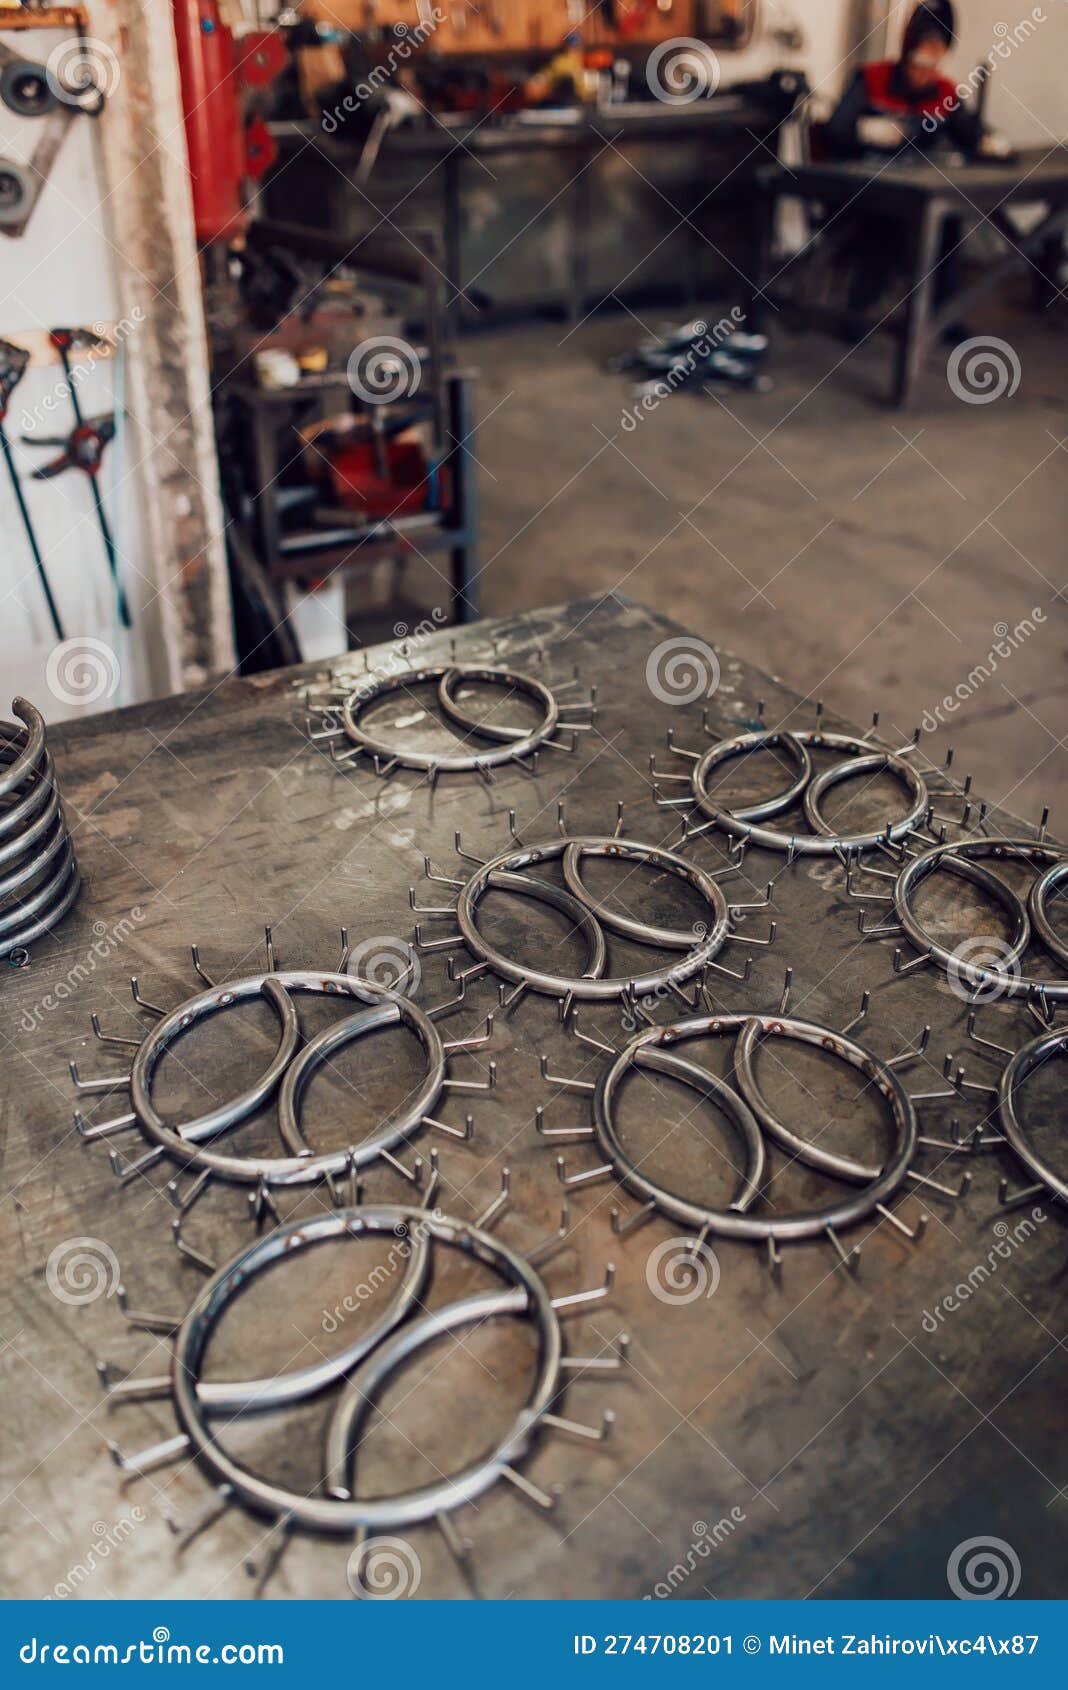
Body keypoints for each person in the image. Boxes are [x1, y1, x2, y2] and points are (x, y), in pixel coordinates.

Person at [823, 2, 980, 338]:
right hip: (864, 192)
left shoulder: (945, 92)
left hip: (917, 190)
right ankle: (857, 314)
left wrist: (987, 141)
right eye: (920, 60)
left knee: (947, 222)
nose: (925, 70)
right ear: (907, 53)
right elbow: (835, 130)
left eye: (934, 60)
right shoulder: (871, 79)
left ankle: (943, 317)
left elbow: (970, 134)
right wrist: (868, 132)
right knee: (886, 223)